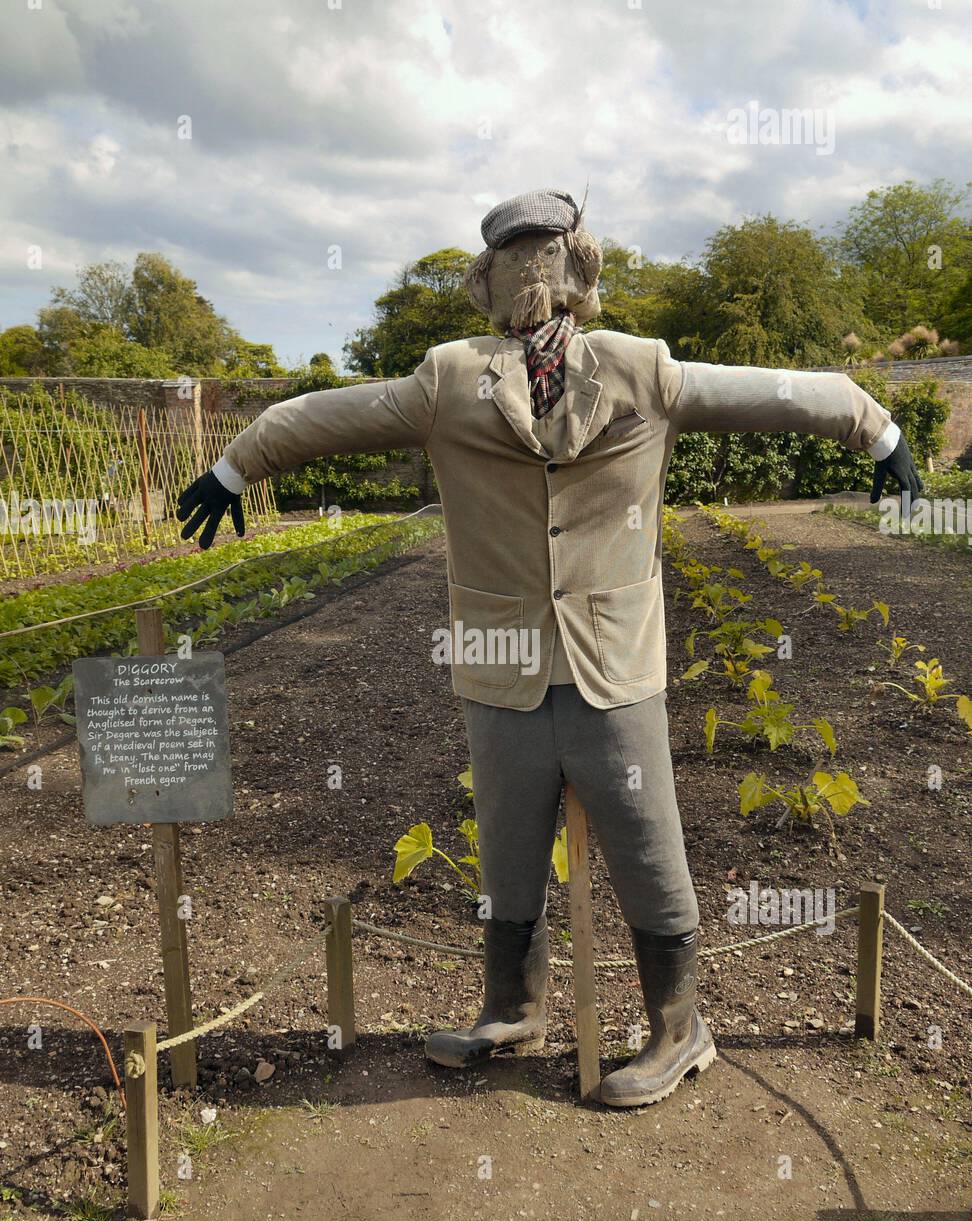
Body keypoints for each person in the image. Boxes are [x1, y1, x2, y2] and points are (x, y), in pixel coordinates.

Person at [177, 188, 922, 1107]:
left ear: (555, 272)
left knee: (649, 846)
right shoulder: (451, 379)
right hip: (500, 663)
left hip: (614, 662)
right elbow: (326, 415)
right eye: (520, 258)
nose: (532, 274)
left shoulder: (641, 369)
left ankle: (679, 1028)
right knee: (508, 842)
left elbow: (780, 392)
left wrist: (876, 429)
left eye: (539, 256)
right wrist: (235, 463)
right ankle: (513, 1008)